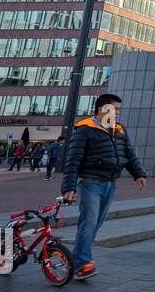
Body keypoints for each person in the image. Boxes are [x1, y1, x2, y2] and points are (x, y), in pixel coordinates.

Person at [61, 93, 147, 280]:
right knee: (89, 223)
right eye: (114, 109)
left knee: (96, 224)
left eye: (119, 109)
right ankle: (83, 264)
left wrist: (138, 173)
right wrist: (69, 188)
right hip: (91, 183)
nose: (117, 113)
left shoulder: (119, 130)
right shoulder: (85, 129)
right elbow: (73, 160)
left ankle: (77, 261)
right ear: (102, 109)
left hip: (110, 183)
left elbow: (129, 153)